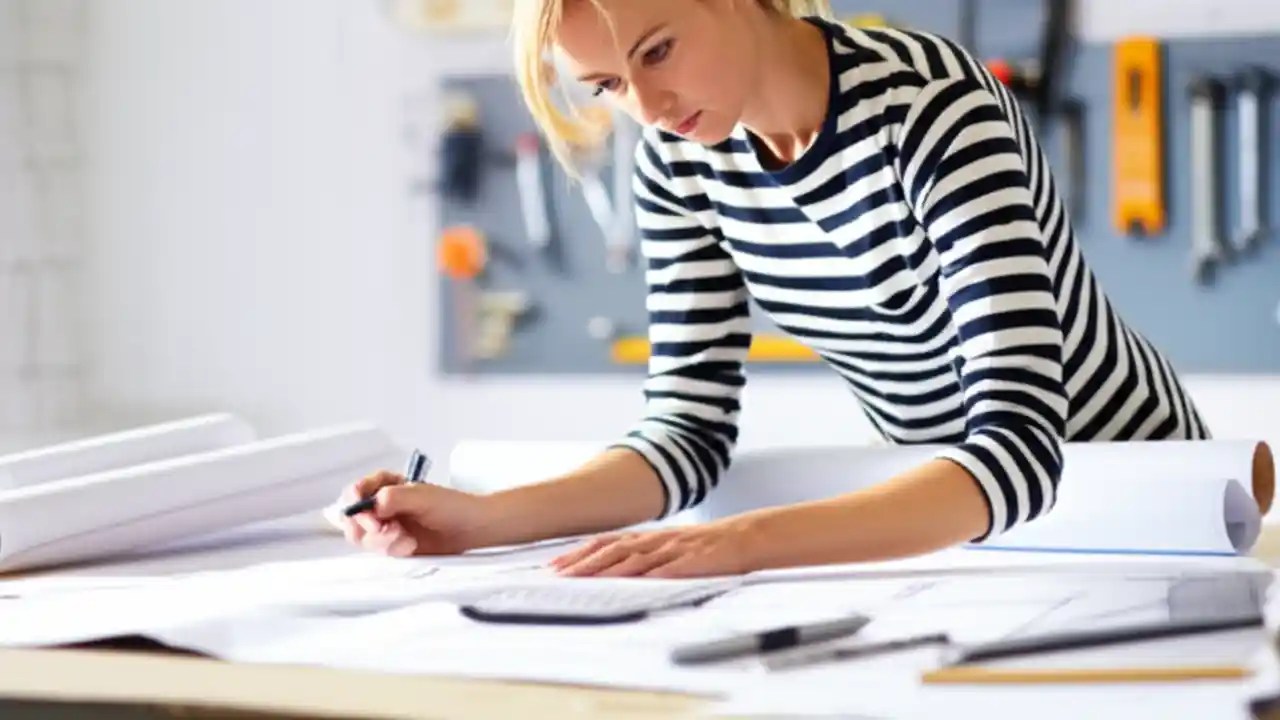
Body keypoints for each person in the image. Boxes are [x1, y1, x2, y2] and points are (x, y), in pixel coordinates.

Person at [328, 0, 1209, 578]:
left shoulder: (933, 109)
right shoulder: (678, 160)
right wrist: (480, 521)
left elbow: (1019, 446)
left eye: (659, 50)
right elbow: (685, 431)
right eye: (607, 85)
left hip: (1145, 493)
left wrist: (744, 541)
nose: (649, 105)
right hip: (955, 518)